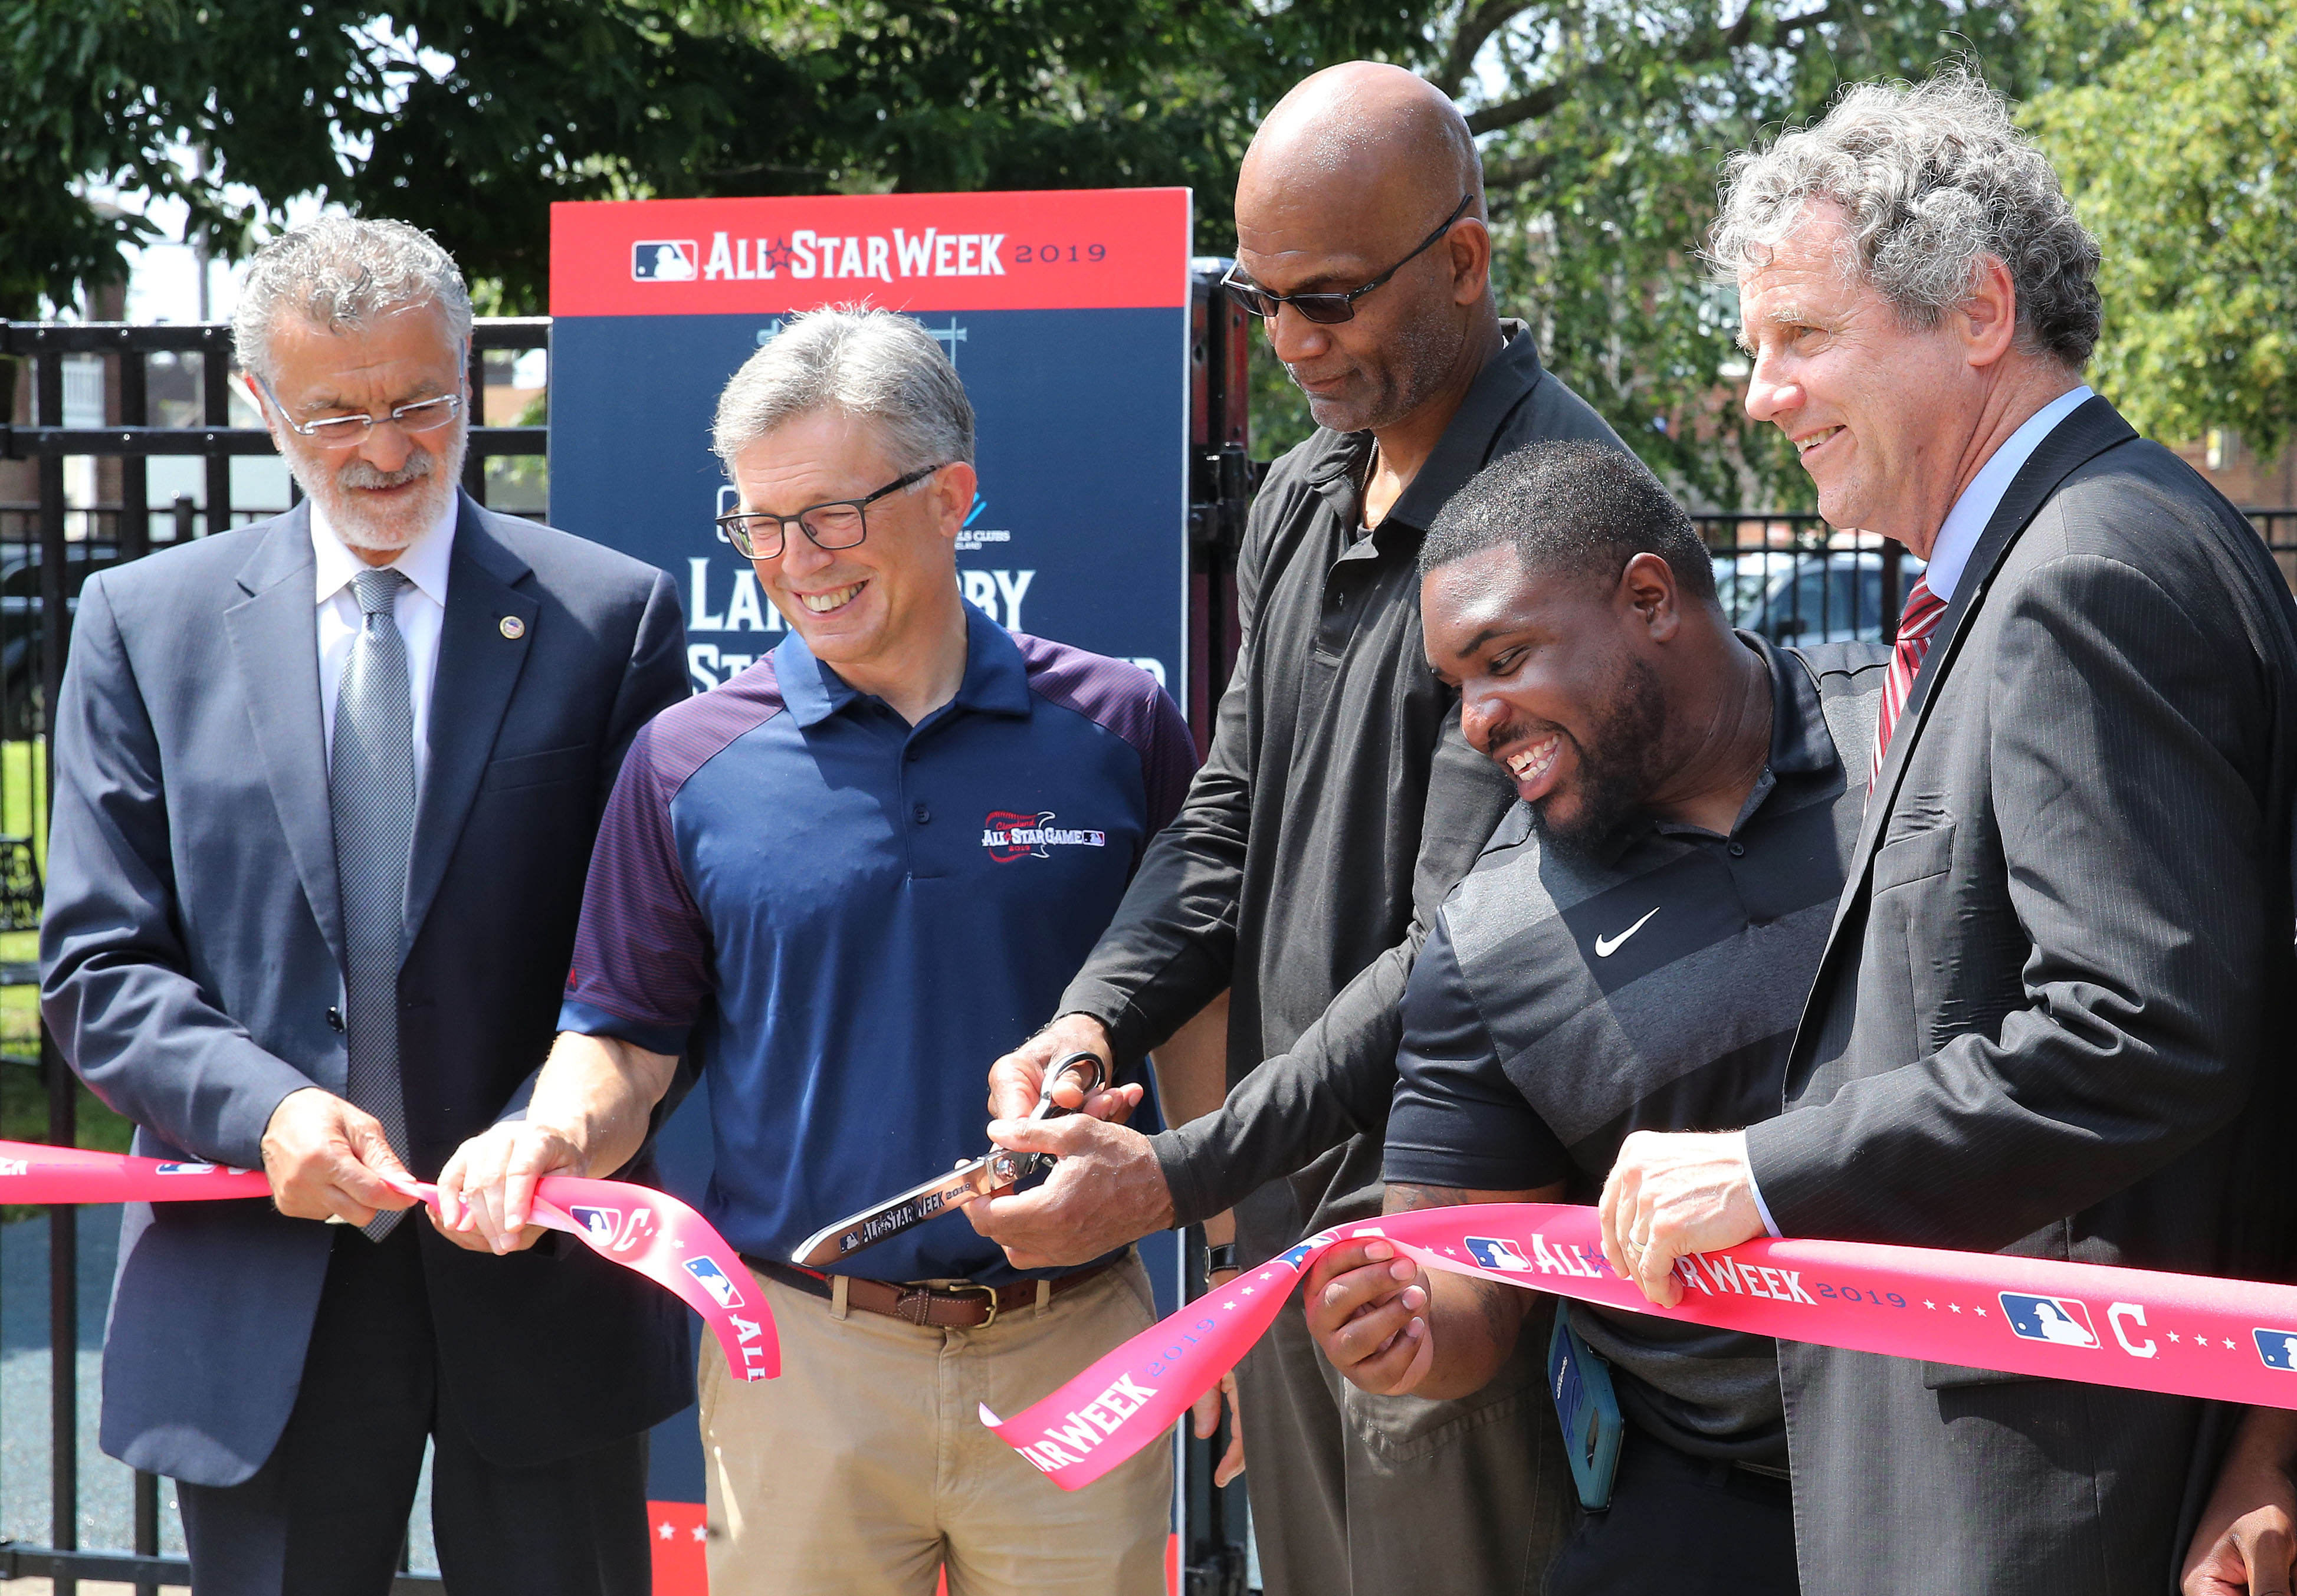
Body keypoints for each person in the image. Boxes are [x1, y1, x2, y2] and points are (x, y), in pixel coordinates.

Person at [1596, 71, 2297, 1595]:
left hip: (2049, 1486)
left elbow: (2137, 1029)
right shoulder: (2087, 545)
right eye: (1753, 344)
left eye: (1800, 338)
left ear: (1975, 312)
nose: (1759, 390)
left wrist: (1768, 1173)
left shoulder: (2082, 574)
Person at [969, 59, 1638, 1594]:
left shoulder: (1560, 522)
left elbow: (1462, 954)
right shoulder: (1298, 492)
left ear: (1461, 262)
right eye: (1257, 299)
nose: (1286, 345)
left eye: (1325, 298)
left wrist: (1171, 1174)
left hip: (1454, 1261)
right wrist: (1093, 1016)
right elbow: (1222, 816)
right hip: (1288, 1241)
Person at [437, 308, 1195, 1595]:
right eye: (761, 522)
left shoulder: (1118, 725)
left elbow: (1200, 1010)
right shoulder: (687, 760)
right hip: (800, 1362)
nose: (795, 561)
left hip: (1080, 1350)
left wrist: (1221, 1282)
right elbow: (621, 1037)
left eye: (831, 515)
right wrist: (549, 1136)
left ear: (951, 496)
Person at [38, 218, 692, 1595]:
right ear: (262, 405)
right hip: (261, 1279)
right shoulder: (141, 623)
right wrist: (265, 1108)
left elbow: (646, 952)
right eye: (335, 412)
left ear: (472, 377)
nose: (384, 449)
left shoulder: (611, 618)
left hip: (538, 1260)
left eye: (418, 403)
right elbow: (99, 968)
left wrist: (543, 1128)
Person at [1302, 440, 1886, 1595]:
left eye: (1504, 658)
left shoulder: (1916, 735)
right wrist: (1409, 1327)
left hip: (2033, 1457)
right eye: (1457, 683)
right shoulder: (1486, 943)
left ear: (1651, 598)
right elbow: (1470, 1291)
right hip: (1721, 1509)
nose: (1475, 720)